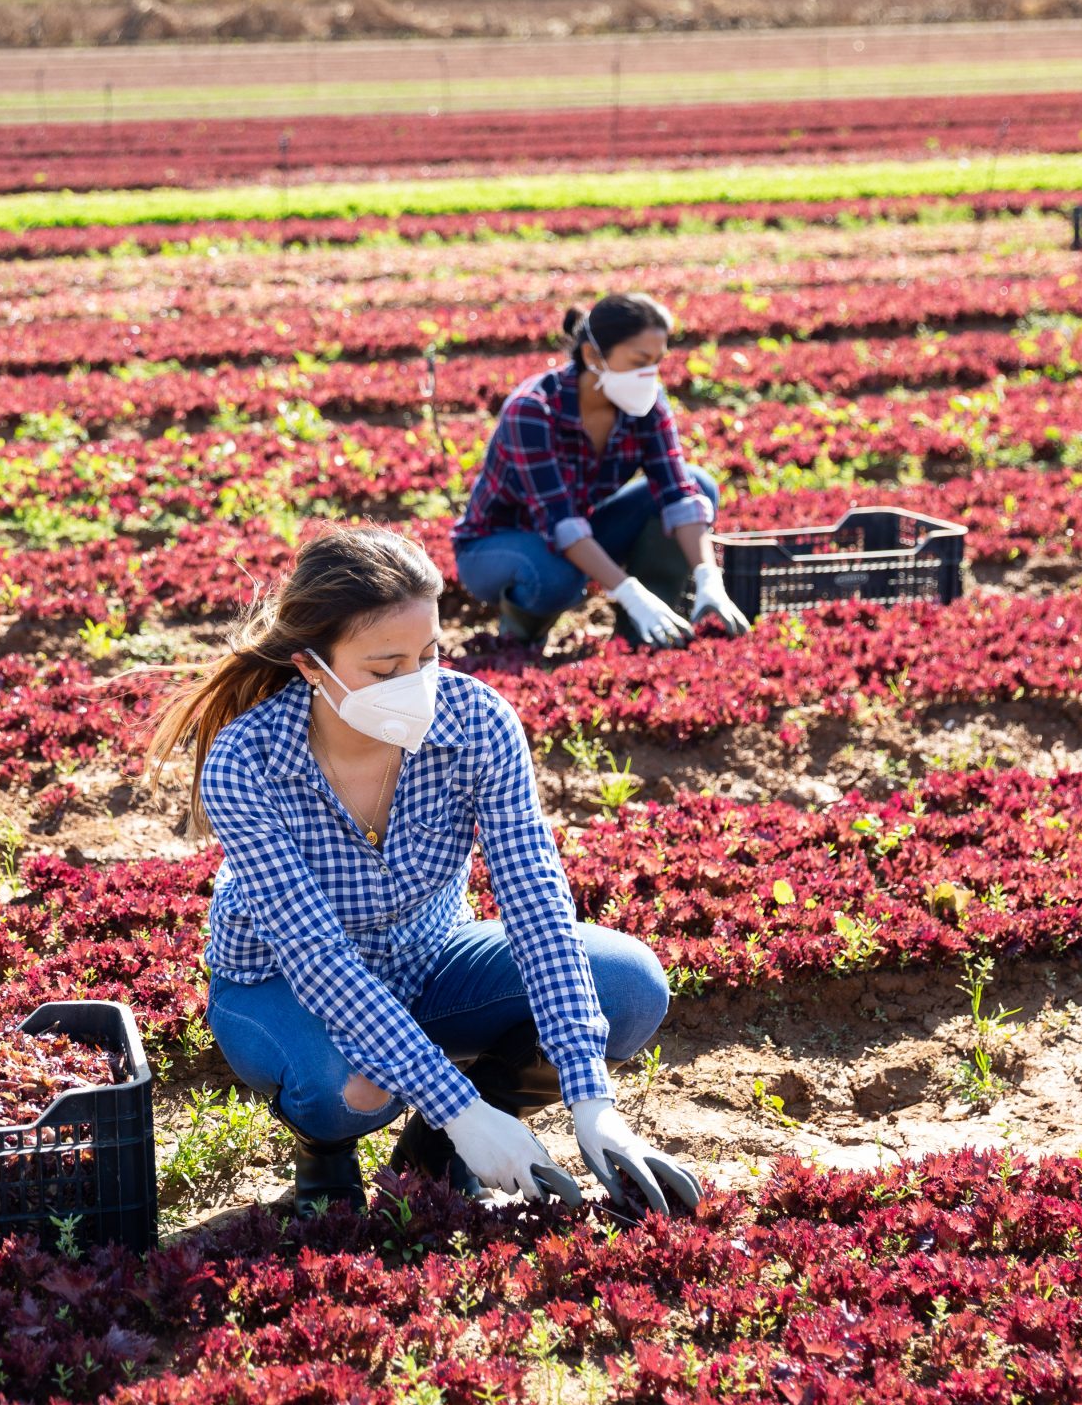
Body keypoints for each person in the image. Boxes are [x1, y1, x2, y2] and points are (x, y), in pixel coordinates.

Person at [148, 525, 703, 1216]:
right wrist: (460, 1107)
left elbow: (534, 896)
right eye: (386, 670)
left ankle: (435, 1156)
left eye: (429, 654)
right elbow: (316, 956)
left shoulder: (477, 722)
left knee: (627, 985)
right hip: (281, 982)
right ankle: (327, 1148)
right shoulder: (247, 761)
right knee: (351, 1088)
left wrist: (592, 1101)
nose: (417, 685)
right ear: (312, 668)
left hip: (429, 957)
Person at [450, 292, 749, 649]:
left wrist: (708, 576)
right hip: (494, 546)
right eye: (639, 361)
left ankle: (648, 630)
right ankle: (520, 637)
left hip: (575, 530)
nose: (649, 374)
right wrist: (629, 592)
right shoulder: (533, 410)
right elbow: (559, 522)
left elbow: (678, 494)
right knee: (557, 575)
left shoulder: (645, 404)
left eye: (656, 361)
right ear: (593, 355)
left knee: (699, 484)